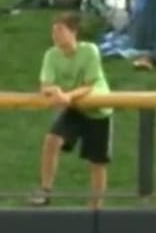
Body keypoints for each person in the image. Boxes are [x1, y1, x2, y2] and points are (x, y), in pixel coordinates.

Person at [33, 12, 113, 209]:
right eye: (53, 32)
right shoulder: (51, 55)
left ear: (73, 32)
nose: (55, 36)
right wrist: (54, 91)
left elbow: (89, 85)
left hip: (98, 110)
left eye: (60, 31)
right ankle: (45, 190)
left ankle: (95, 207)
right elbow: (45, 85)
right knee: (51, 140)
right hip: (75, 108)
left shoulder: (90, 51)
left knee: (96, 162)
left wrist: (67, 96)